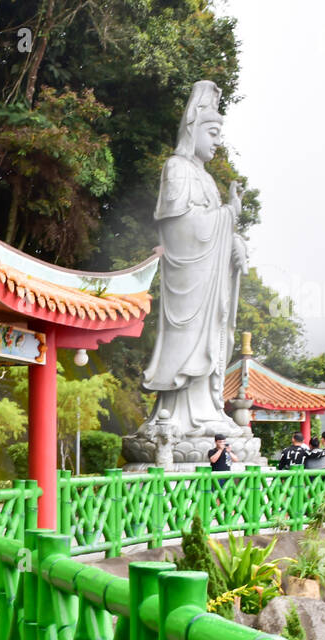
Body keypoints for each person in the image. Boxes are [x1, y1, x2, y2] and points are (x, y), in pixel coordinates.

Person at [139, 80, 247, 437]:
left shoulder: (207, 180)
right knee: (187, 339)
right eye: (213, 132)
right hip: (189, 282)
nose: (217, 141)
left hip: (209, 287)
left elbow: (212, 229)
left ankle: (208, 408)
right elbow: (181, 231)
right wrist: (228, 215)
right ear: (193, 129)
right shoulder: (177, 168)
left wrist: (233, 240)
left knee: (215, 339)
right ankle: (178, 418)